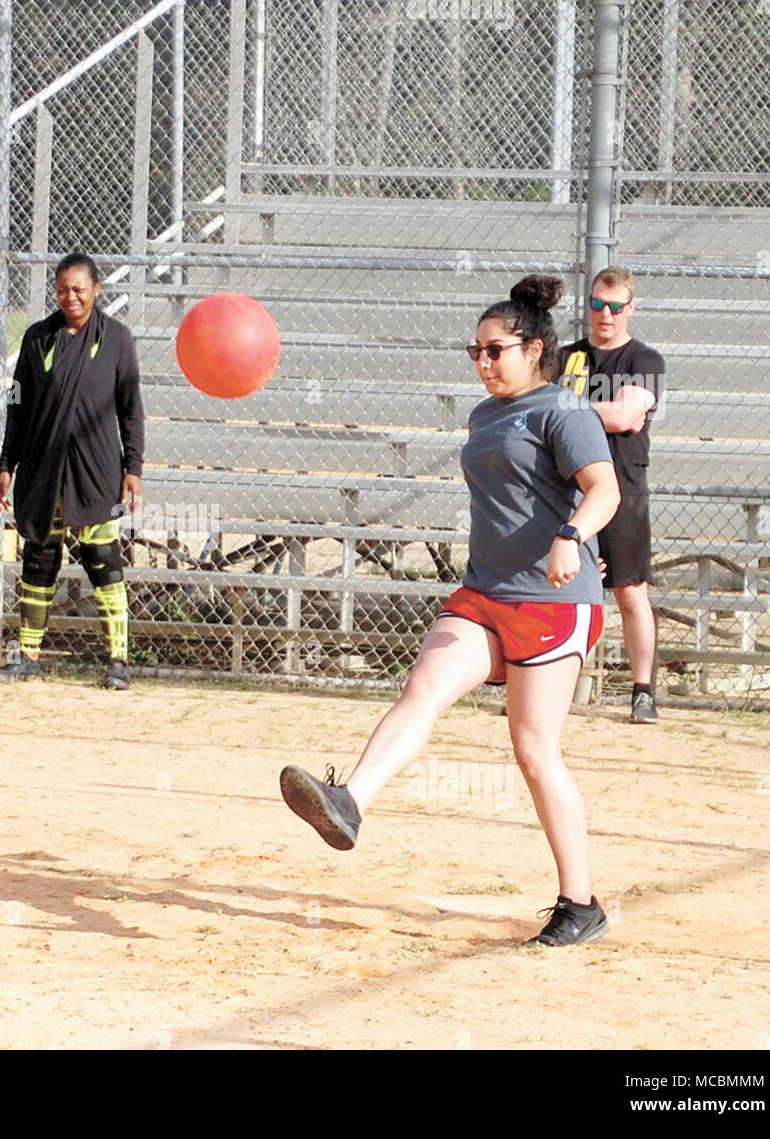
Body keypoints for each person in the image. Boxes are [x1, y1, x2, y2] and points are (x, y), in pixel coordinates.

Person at [280, 275, 621, 947]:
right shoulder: (486, 414)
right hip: (485, 592)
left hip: (553, 600)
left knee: (533, 750)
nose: (484, 361)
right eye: (476, 351)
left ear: (537, 349)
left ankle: (580, 903)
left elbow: (604, 490)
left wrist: (571, 536)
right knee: (424, 690)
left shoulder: (564, 411)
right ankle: (350, 800)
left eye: (497, 349)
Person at [0, 252, 144, 690]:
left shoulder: (116, 338)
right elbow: (17, 407)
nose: (70, 297)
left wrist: (133, 468)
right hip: (42, 467)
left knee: (103, 562)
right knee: (38, 559)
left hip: (96, 468)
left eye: (79, 288)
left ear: (97, 289)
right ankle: (30, 654)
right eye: (62, 289)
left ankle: (119, 660)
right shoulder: (39, 338)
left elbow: (131, 409)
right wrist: (6, 465)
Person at [559, 267, 665, 724]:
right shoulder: (565, 357)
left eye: (616, 306)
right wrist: (599, 410)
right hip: (567, 488)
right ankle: (550, 689)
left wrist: (567, 406)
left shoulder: (645, 360)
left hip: (622, 486)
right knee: (561, 589)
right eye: (597, 304)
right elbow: (541, 407)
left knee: (629, 590)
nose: (605, 314)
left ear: (631, 308)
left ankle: (643, 691)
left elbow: (625, 418)